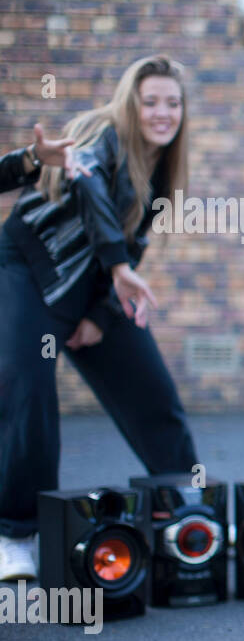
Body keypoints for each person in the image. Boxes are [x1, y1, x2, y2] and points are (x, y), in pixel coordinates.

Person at [0, 56, 200, 582]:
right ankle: (17, 533)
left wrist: (100, 314)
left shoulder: (161, 171)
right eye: (150, 100)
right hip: (29, 271)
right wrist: (115, 266)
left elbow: (132, 247)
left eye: (172, 102)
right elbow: (89, 191)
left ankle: (187, 516)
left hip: (94, 291)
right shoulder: (99, 133)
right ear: (130, 103)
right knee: (29, 393)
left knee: (154, 395)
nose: (162, 112)